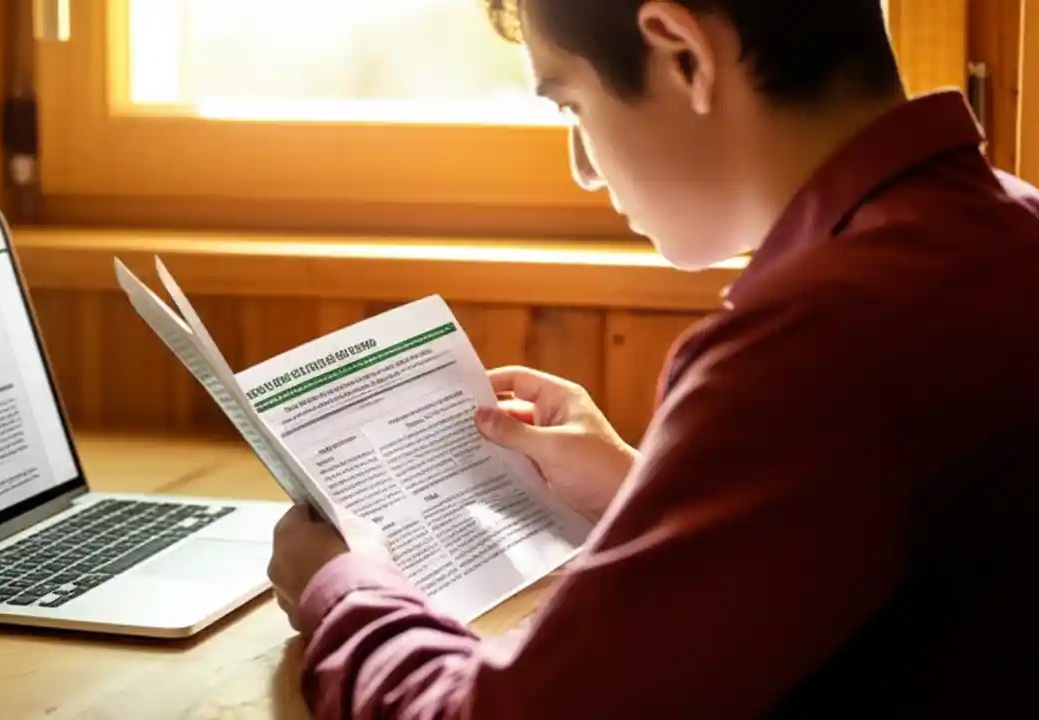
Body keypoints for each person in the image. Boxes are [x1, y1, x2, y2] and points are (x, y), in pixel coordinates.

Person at [267, 1, 1039, 717]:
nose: (583, 167)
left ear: (684, 58)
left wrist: (343, 585)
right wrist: (647, 491)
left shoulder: (813, 342)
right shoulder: (1007, 231)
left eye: (572, 104)